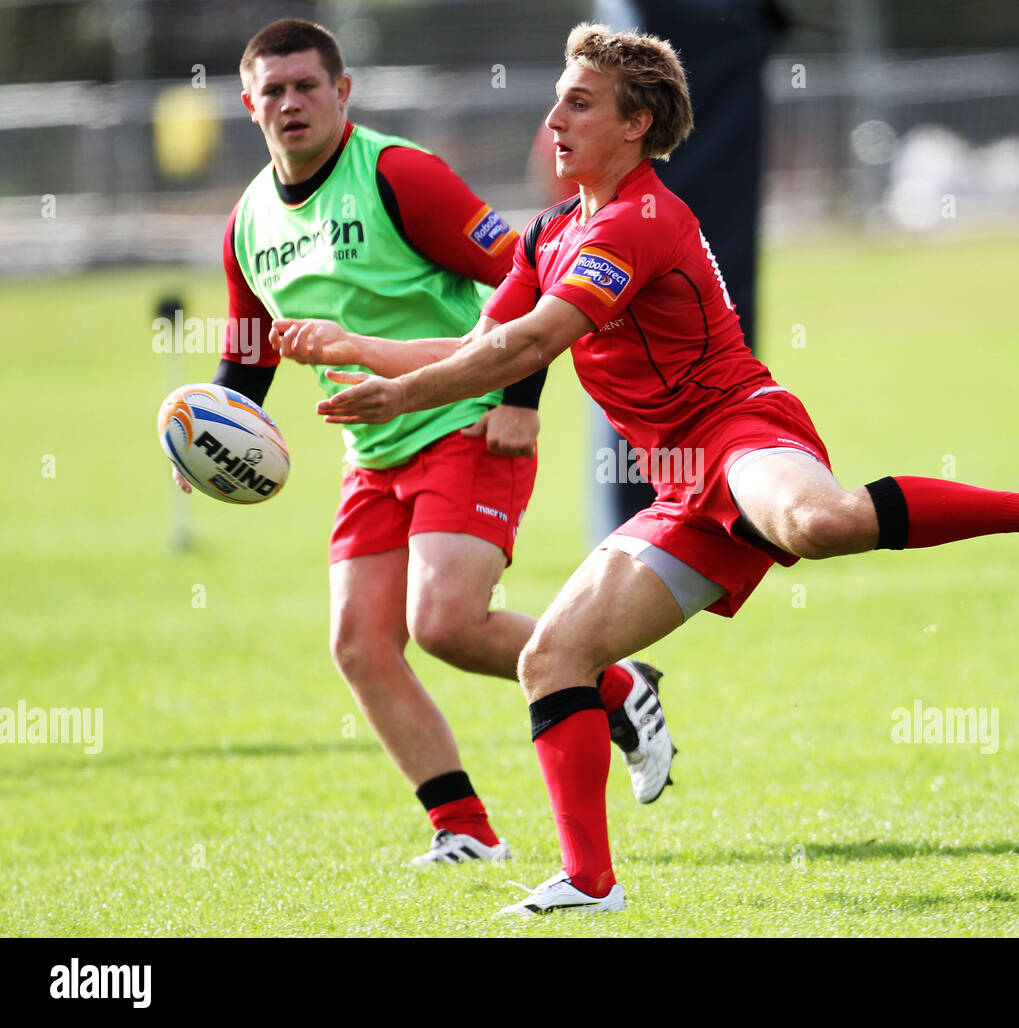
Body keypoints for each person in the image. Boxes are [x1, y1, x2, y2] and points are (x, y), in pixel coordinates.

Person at [272, 22, 1019, 916]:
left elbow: (530, 344)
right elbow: (477, 340)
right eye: (558, 96)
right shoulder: (555, 231)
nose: (554, 115)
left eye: (579, 102)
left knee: (818, 524)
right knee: (554, 656)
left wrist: (406, 395)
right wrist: (361, 347)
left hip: (739, 432)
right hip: (680, 483)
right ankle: (589, 884)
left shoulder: (636, 222)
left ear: (636, 124)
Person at [179, 18, 675, 870]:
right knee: (360, 644)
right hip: (370, 449)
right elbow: (247, 359)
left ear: (343, 93)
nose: (291, 103)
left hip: (463, 419)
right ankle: (465, 828)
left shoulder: (399, 176)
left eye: (308, 86)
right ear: (248, 101)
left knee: (443, 622)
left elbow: (535, 278)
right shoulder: (246, 223)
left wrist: (521, 399)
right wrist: (198, 433)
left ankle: (617, 682)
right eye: (274, 90)